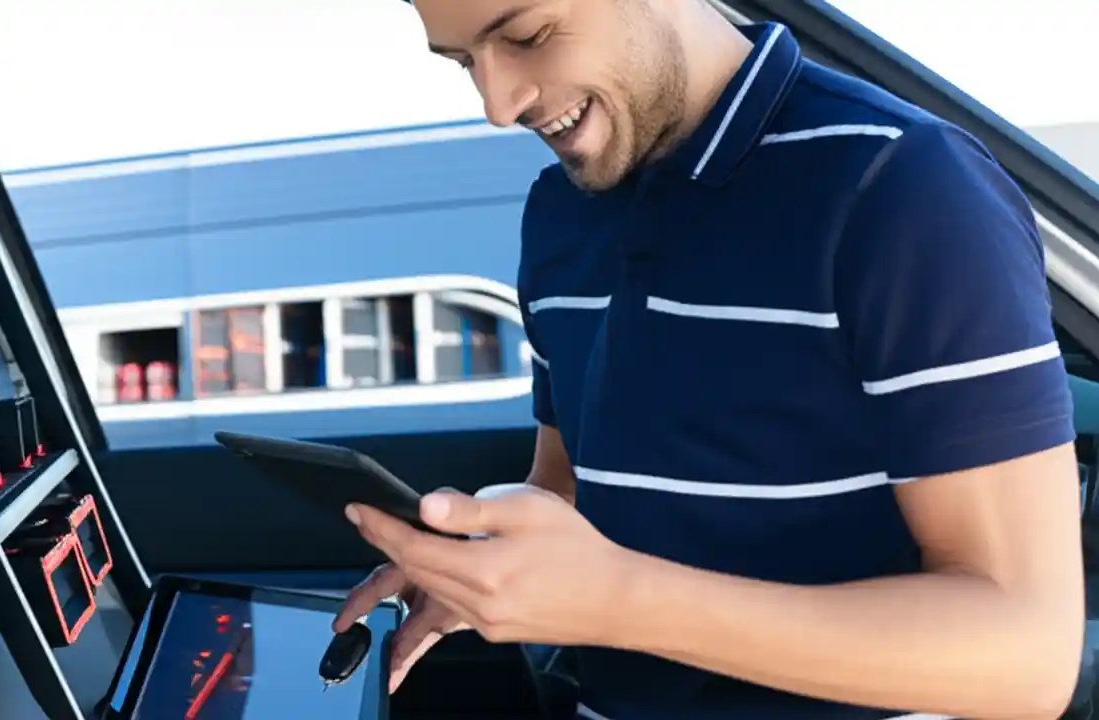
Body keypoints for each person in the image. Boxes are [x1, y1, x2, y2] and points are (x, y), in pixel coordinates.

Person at [334, 1, 1086, 718]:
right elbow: (566, 494)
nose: (499, 103)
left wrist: (621, 600)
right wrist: (481, 562)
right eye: (465, 60)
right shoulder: (559, 213)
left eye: (528, 36)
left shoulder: (901, 186)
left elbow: (1025, 655)